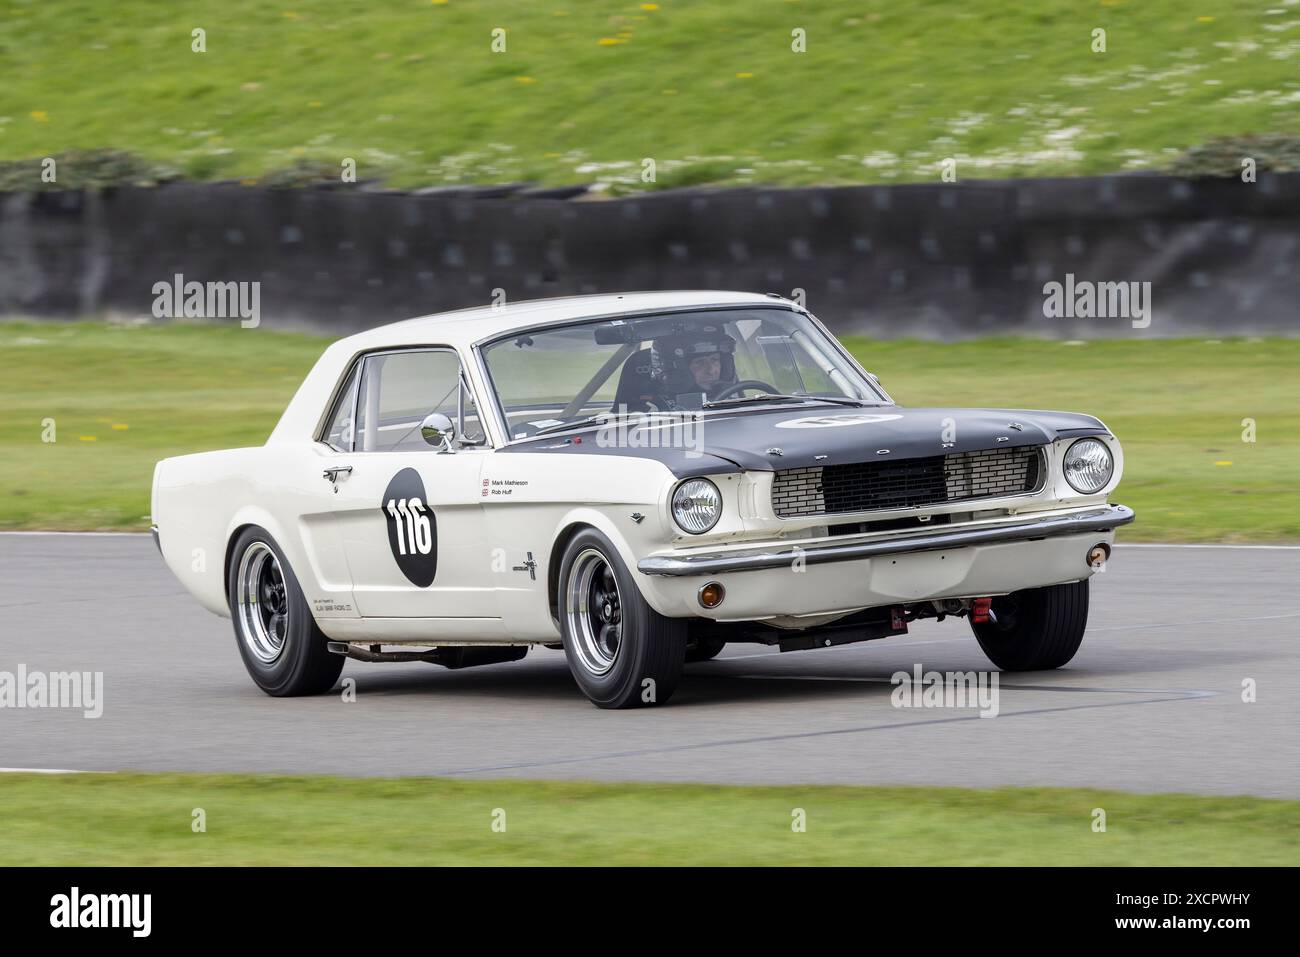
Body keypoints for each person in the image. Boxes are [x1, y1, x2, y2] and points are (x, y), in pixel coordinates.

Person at [648, 324, 738, 406]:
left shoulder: (737, 399)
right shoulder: (657, 411)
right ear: (678, 369)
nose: (710, 371)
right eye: (699, 362)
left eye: (714, 360)